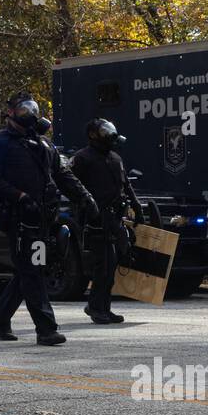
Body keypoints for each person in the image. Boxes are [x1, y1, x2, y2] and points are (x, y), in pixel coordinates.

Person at [0, 94, 96, 345]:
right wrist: (20, 197)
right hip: (19, 217)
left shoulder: (44, 144)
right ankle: (46, 328)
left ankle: (1, 318)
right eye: (23, 109)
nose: (29, 113)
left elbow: (63, 175)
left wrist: (84, 197)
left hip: (44, 217)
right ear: (10, 113)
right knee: (32, 271)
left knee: (30, 270)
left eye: (32, 108)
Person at [72, 119, 144, 324]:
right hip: (95, 219)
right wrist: (86, 209)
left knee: (112, 265)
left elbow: (126, 186)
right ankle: (96, 308)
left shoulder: (115, 158)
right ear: (94, 135)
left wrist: (137, 208)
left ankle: (103, 307)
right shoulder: (82, 158)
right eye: (105, 131)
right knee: (102, 266)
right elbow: (70, 186)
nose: (110, 135)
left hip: (115, 218)